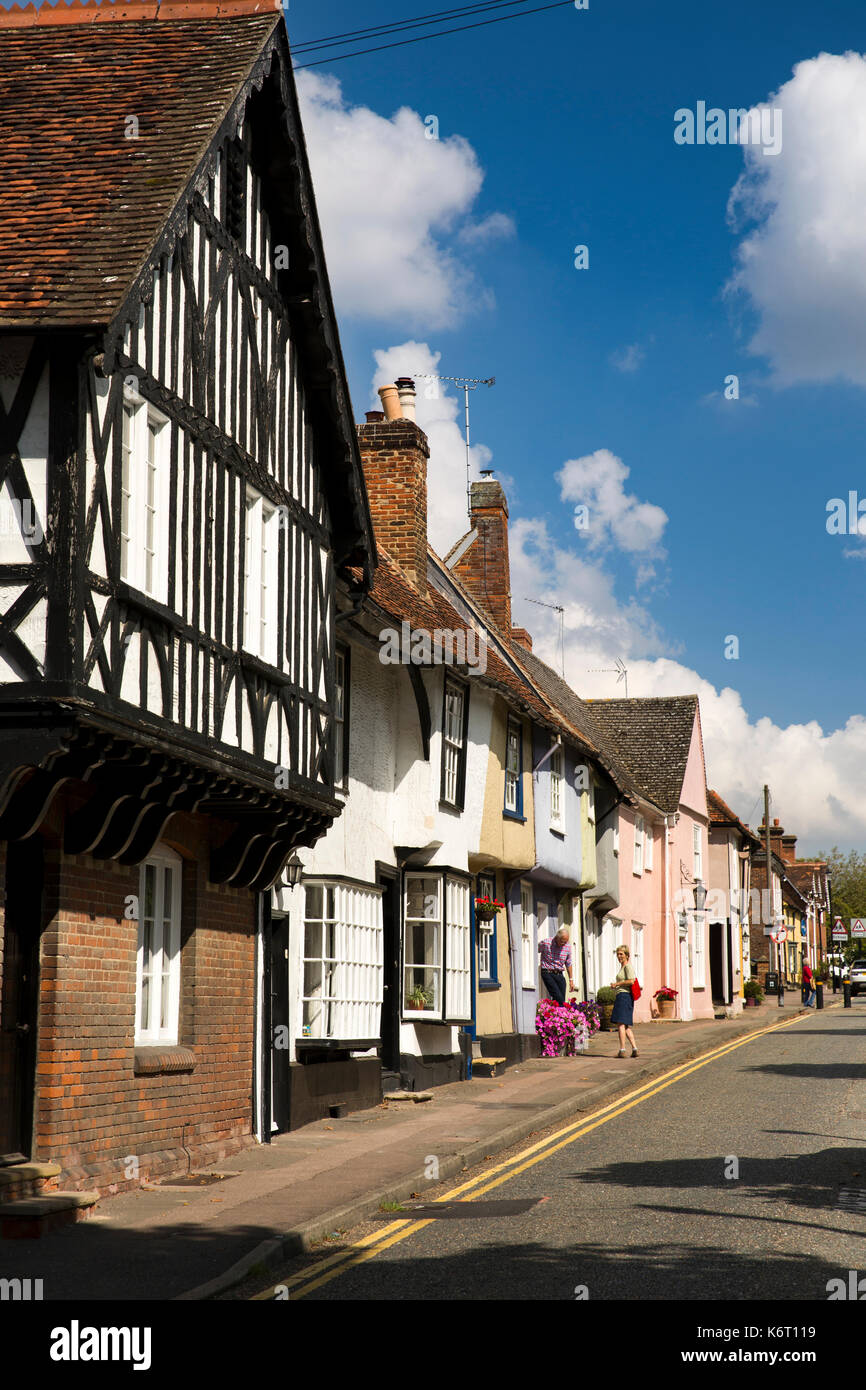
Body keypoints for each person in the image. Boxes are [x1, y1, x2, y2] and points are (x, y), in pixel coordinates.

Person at [610, 944, 638, 1058]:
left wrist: (617, 984)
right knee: (625, 1026)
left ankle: (622, 1050)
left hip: (624, 996)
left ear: (627, 955)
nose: (619, 956)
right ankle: (635, 1048)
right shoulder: (623, 967)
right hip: (624, 996)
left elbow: (631, 981)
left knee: (620, 1024)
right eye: (618, 954)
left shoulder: (627, 967)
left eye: (621, 954)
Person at [538, 927, 574, 1005]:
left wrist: (571, 980)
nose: (564, 944)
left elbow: (568, 963)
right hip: (547, 972)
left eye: (566, 942)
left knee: (560, 998)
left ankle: (555, 1015)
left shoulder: (567, 947)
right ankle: (563, 1014)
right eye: (562, 942)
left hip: (559, 974)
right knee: (558, 997)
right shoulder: (546, 943)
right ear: (557, 937)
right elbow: (535, 950)